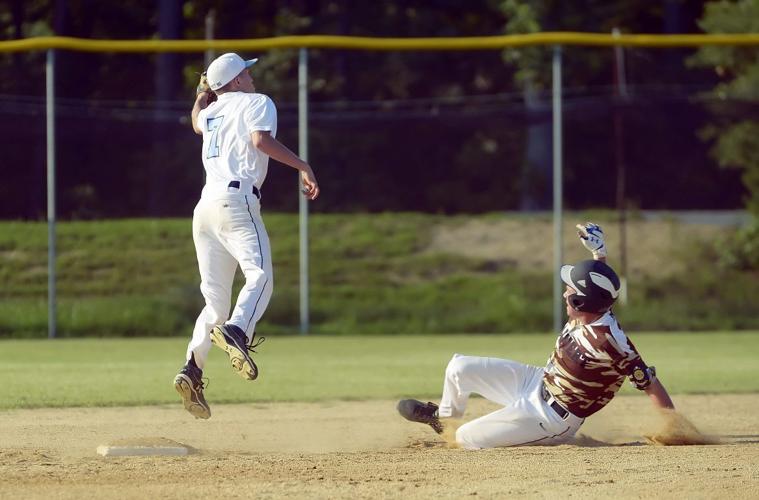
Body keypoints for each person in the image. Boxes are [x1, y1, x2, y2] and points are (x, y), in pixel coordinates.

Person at [397, 222, 674, 448]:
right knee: (458, 367)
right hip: (537, 381)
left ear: (582, 302)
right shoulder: (595, 307)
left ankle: (463, 433)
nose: (566, 292)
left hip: (552, 417)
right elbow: (599, 285)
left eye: (571, 290)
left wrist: (675, 430)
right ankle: (443, 419)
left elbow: (648, 383)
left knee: (466, 438)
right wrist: (599, 252)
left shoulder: (609, 341)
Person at [174, 53, 320, 419]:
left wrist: (200, 95)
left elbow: (195, 122)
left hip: (204, 208)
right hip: (236, 201)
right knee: (261, 276)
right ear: (236, 81)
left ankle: (192, 367)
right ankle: (238, 331)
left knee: (215, 303)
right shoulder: (258, 102)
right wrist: (302, 165)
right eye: (246, 72)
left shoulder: (210, 113)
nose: (252, 77)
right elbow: (259, 140)